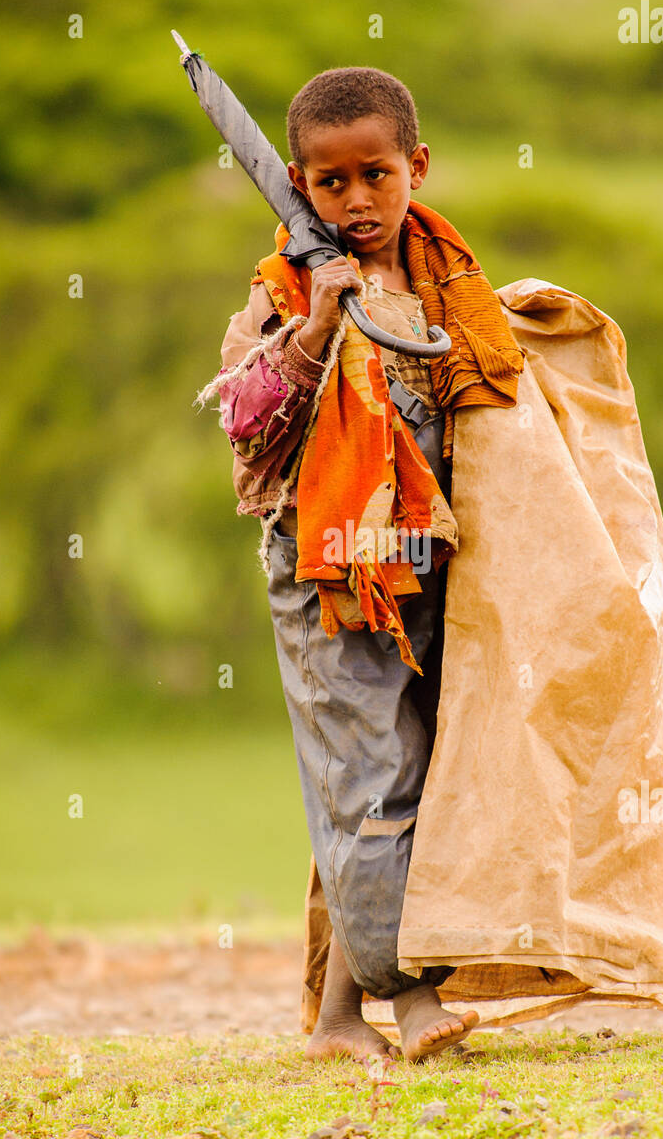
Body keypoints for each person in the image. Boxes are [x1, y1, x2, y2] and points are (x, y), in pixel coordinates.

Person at [197, 67, 524, 1061]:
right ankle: (412, 995)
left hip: (425, 564)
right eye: (329, 184)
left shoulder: (444, 278)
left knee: (406, 777)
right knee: (374, 780)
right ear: (298, 184)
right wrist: (318, 327)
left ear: (413, 168)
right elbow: (245, 425)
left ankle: (338, 1020)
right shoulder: (286, 287)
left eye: (375, 175)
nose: (356, 201)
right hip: (330, 576)